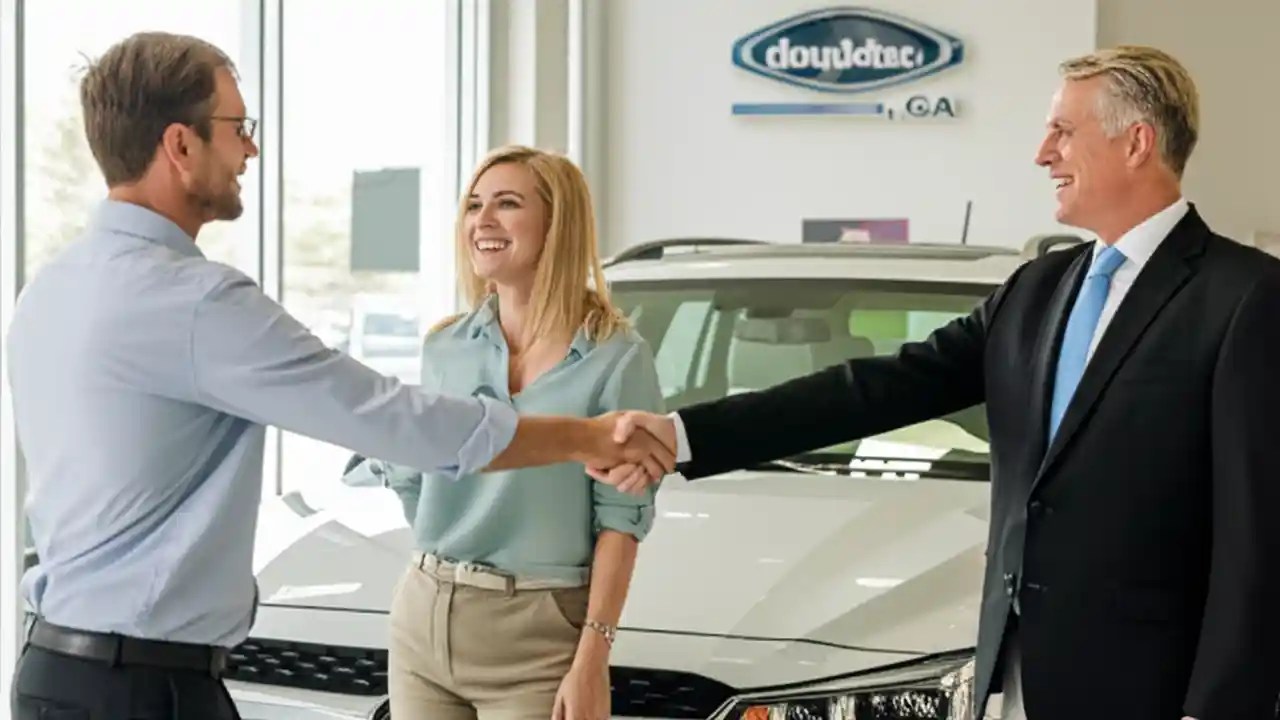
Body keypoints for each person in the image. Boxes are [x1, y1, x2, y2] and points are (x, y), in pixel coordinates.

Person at [597, 45, 1280, 720]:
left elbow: (1258, 530)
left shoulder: (1244, 297)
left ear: (1137, 142)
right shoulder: (1037, 291)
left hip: (1156, 687)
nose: (1043, 154)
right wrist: (685, 433)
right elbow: (880, 388)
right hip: (1015, 677)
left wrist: (1220, 706)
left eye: (1063, 132)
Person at [5, 33, 671, 720]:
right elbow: (389, 421)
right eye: (238, 129)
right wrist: (588, 437)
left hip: (53, 677)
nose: (250, 151)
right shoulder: (198, 304)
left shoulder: (49, 291)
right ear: (180, 146)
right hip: (145, 691)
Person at [342, 145, 662, 720]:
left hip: (538, 634)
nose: (482, 222)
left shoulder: (615, 357)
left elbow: (622, 521)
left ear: (556, 224)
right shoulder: (445, 347)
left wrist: (592, 657)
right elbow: (419, 480)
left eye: (506, 204)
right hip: (425, 616)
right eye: (473, 206)